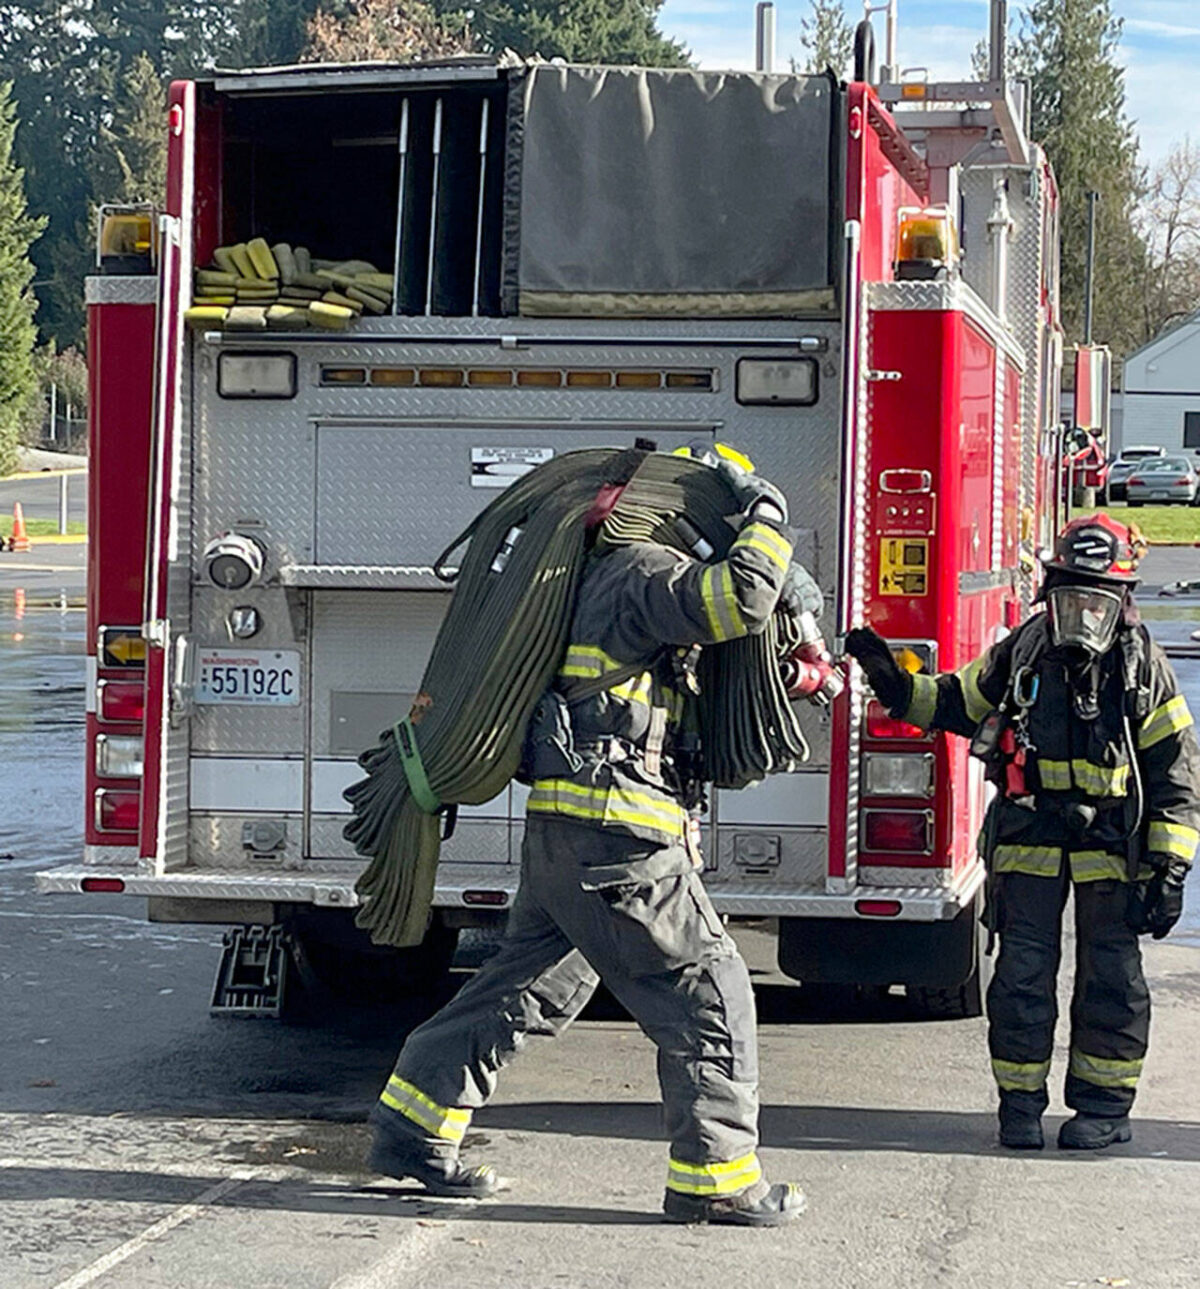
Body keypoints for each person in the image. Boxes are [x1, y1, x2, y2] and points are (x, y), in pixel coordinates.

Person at [367, 447, 822, 1226]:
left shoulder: (583, 578)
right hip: (621, 838)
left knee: (528, 988)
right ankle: (716, 1177)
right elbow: (741, 598)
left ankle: (414, 1125)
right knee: (709, 991)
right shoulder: (642, 570)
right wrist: (769, 515)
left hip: (564, 834)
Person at [846, 514, 1200, 1151]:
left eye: (1097, 603)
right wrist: (894, 684)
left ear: (1121, 603)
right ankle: (1019, 1106)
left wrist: (1169, 869)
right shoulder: (1025, 651)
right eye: (1072, 599)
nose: (1083, 616)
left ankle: (1104, 1108)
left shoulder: (1144, 668)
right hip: (1028, 834)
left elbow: (1175, 774)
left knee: (1113, 979)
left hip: (1110, 845)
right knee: (1021, 976)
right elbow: (957, 701)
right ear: (1051, 595)